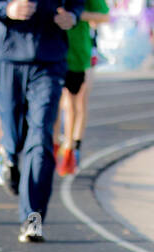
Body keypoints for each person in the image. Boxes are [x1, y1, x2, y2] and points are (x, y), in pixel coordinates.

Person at [0, 0, 84, 243]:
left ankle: (33, 219)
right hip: (7, 56)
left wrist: (73, 16)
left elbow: (77, 3)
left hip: (49, 59)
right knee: (13, 137)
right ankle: (9, 157)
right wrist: (5, 10)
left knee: (41, 136)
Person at [55, 0, 109, 176]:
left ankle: (72, 148)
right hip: (53, 51)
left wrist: (77, 15)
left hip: (80, 52)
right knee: (58, 103)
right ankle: (57, 146)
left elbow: (104, 15)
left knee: (76, 104)